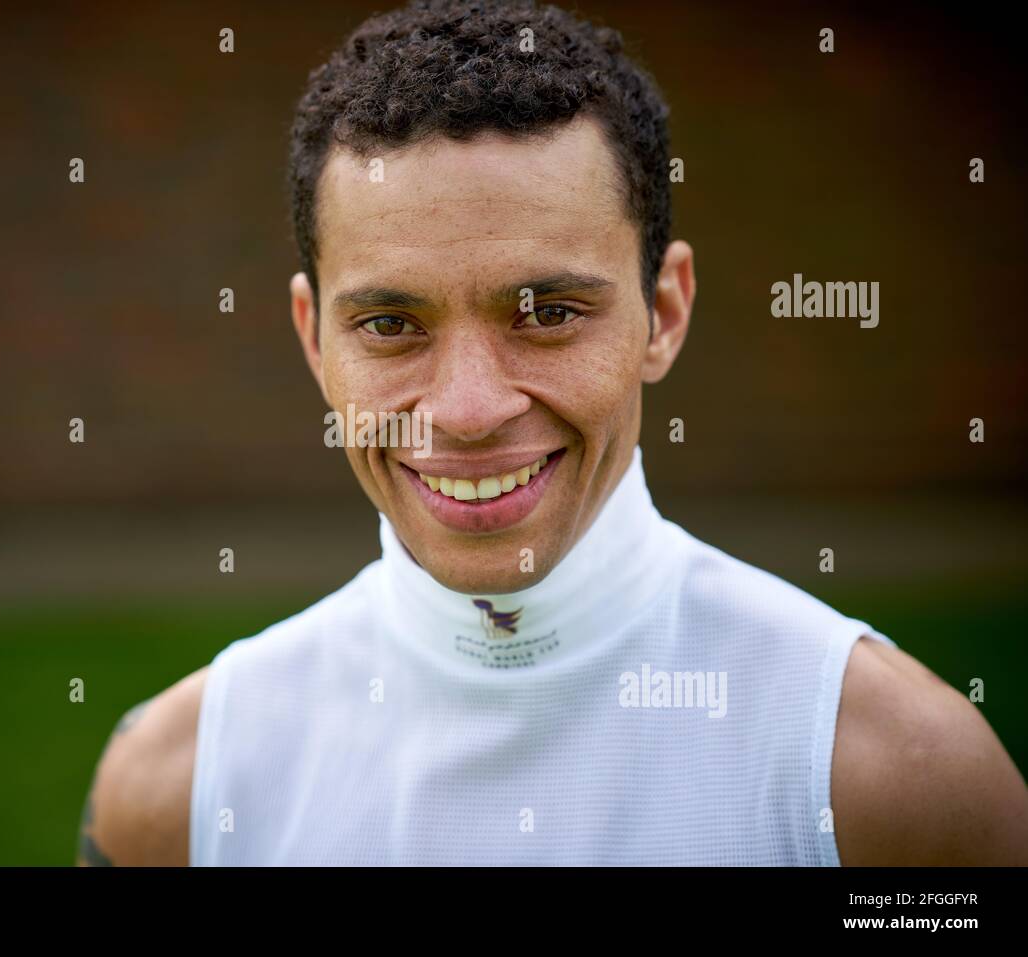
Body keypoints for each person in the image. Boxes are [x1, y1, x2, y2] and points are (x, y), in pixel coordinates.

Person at [78, 0, 1028, 865]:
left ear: (663, 313)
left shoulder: (894, 781)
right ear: (313, 339)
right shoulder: (179, 789)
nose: (467, 407)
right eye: (390, 325)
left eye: (548, 314)